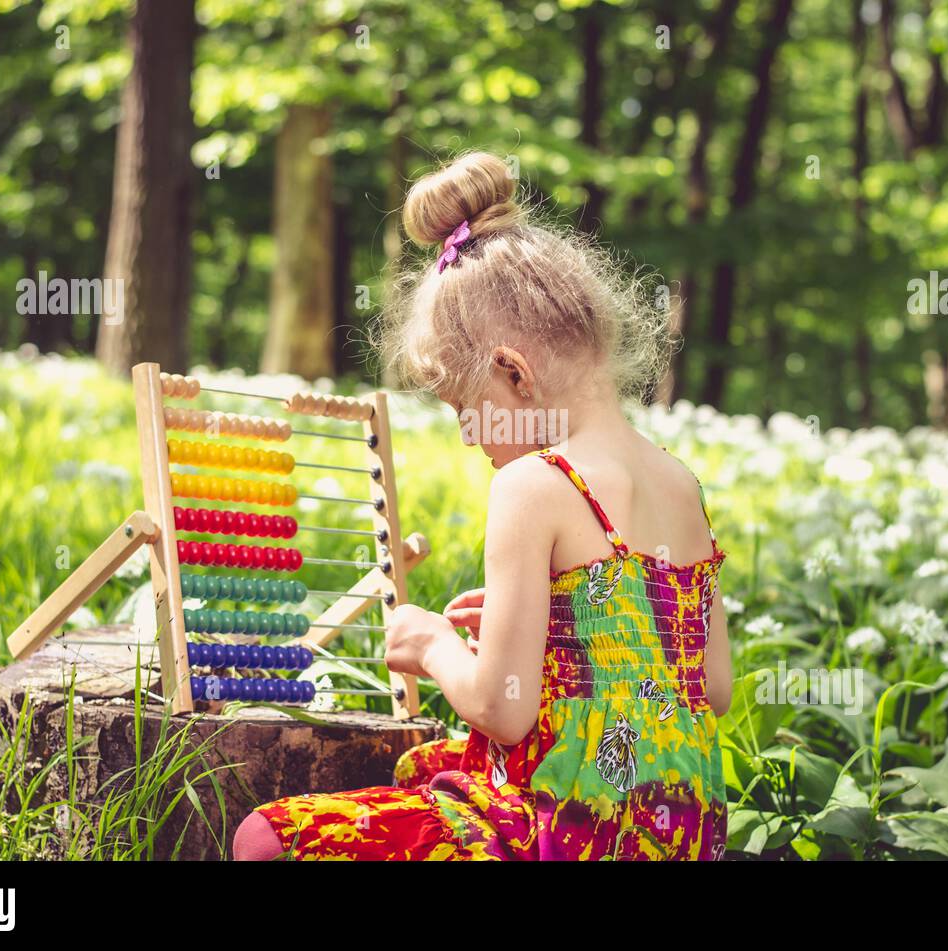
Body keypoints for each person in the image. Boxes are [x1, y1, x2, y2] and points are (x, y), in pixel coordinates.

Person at [233, 151, 731, 860]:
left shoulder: (534, 484)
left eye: (466, 408)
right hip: (680, 838)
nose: (469, 436)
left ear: (513, 372)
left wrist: (433, 645)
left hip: (556, 832)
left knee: (262, 838)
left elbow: (502, 707)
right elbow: (710, 686)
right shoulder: (682, 483)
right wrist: (543, 641)